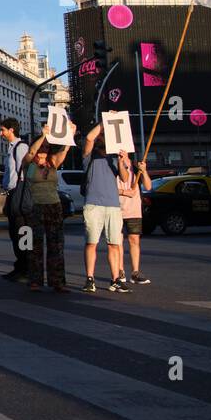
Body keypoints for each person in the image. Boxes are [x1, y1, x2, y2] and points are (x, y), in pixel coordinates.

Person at [80, 123, 131, 293]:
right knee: (91, 242)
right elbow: (88, 138)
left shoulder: (114, 157)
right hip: (93, 204)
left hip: (113, 205)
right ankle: (89, 278)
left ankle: (115, 279)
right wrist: (105, 123)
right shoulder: (89, 156)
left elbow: (124, 178)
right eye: (101, 136)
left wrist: (123, 161)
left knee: (114, 244)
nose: (102, 138)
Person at [21, 126, 73, 293]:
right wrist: (43, 136)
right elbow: (31, 152)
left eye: (46, 146)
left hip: (53, 205)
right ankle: (34, 280)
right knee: (34, 245)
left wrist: (70, 133)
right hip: (34, 206)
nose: (43, 149)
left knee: (56, 244)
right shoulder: (29, 164)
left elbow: (65, 150)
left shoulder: (53, 162)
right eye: (41, 146)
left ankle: (57, 281)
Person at [0, 117, 31, 282]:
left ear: (12, 130)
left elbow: (23, 172)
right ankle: (21, 266)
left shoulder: (20, 146)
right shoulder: (12, 148)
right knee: (15, 233)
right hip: (13, 192)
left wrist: (20, 193)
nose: (0, 133)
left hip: (20, 192)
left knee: (22, 232)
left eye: (2, 129)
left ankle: (26, 268)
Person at [116, 150, 152, 286]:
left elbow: (148, 186)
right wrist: (124, 192)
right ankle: (120, 271)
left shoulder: (136, 169)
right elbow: (111, 187)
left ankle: (135, 272)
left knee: (134, 240)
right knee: (117, 242)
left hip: (134, 211)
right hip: (117, 210)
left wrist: (144, 171)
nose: (122, 154)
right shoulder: (114, 168)